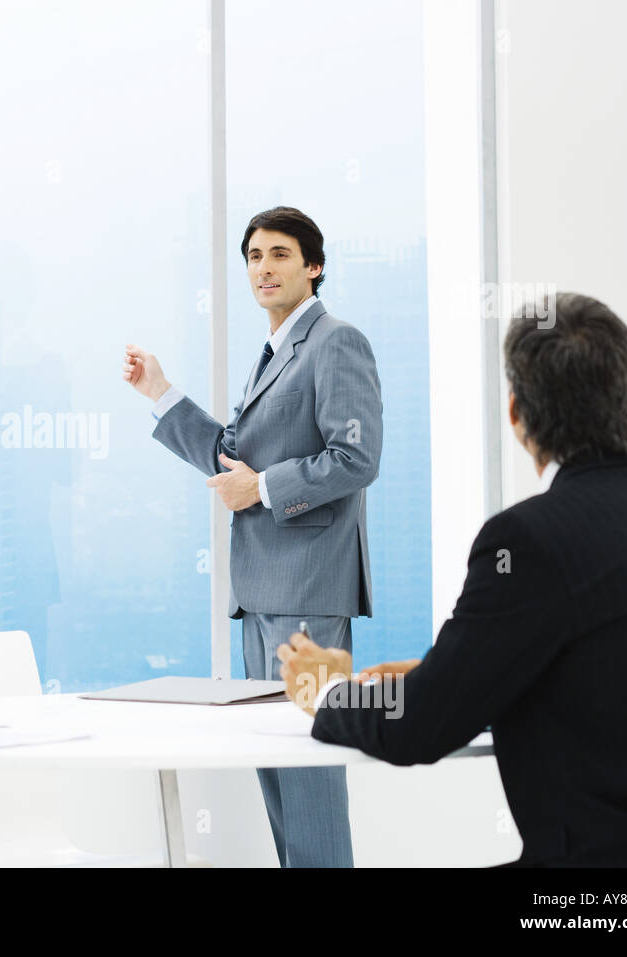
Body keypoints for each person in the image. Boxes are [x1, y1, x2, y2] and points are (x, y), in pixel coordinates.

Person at [278, 292, 627, 867]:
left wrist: (327, 690)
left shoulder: (528, 541)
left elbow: (421, 727)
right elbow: (623, 663)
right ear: (625, 398)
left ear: (517, 416)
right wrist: (455, 667)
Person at [123, 206, 382, 868]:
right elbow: (231, 454)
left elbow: (357, 459)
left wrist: (263, 488)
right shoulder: (273, 354)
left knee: (307, 774)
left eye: (280, 254)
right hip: (262, 592)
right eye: (254, 256)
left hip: (308, 591)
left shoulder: (335, 342)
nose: (263, 267)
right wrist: (160, 392)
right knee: (276, 771)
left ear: (314, 266)